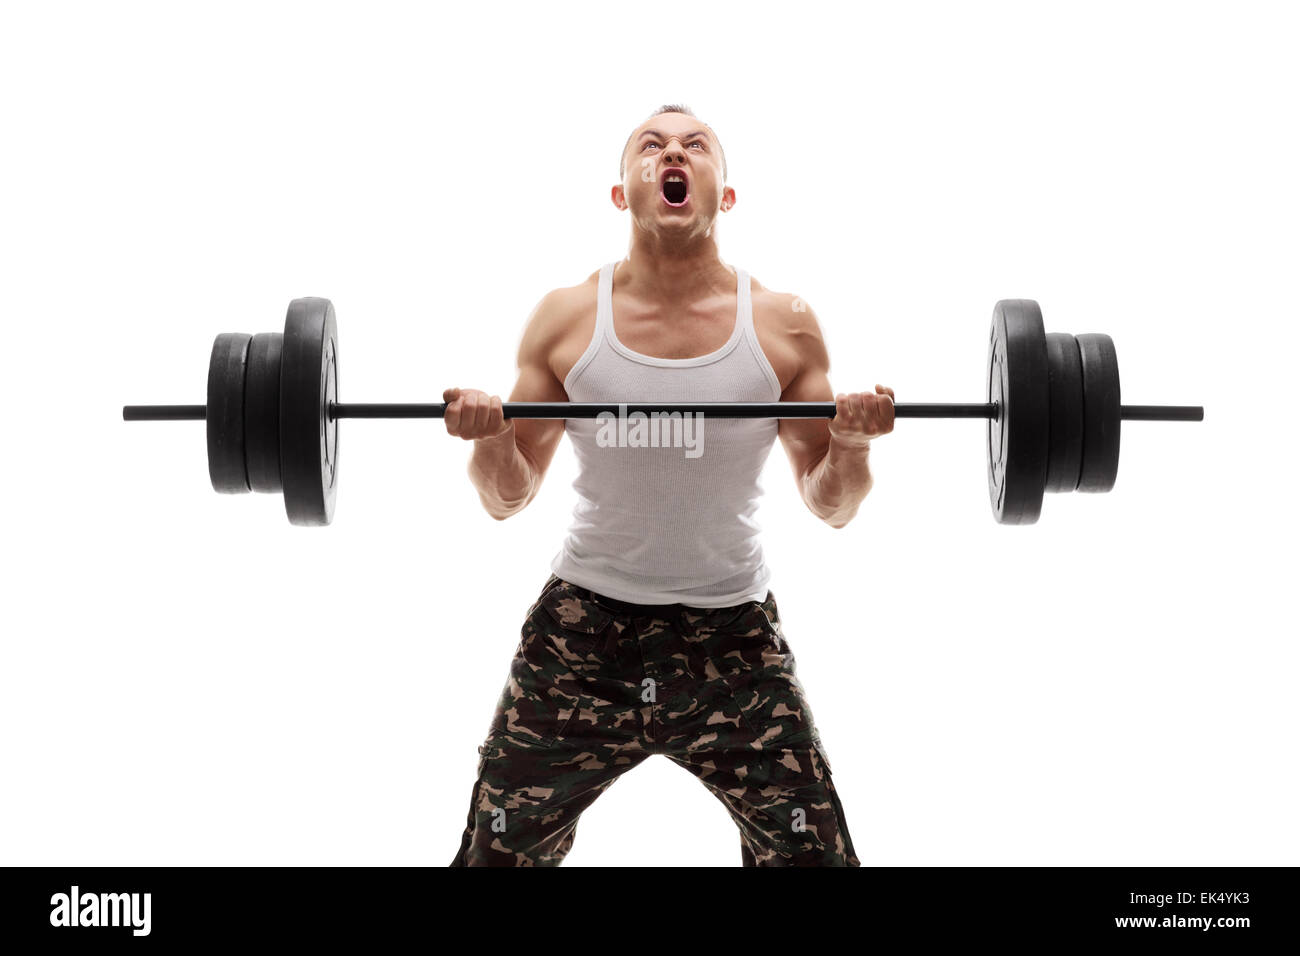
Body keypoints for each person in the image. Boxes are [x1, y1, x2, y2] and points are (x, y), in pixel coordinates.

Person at [448, 105, 894, 866]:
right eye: (650, 146)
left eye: (695, 145)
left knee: (814, 857)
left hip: (734, 637)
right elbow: (506, 497)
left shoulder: (784, 325)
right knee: (497, 855)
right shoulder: (565, 319)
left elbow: (832, 504)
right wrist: (492, 434)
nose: (672, 153)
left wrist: (850, 441)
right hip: (583, 632)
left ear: (724, 194)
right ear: (622, 193)